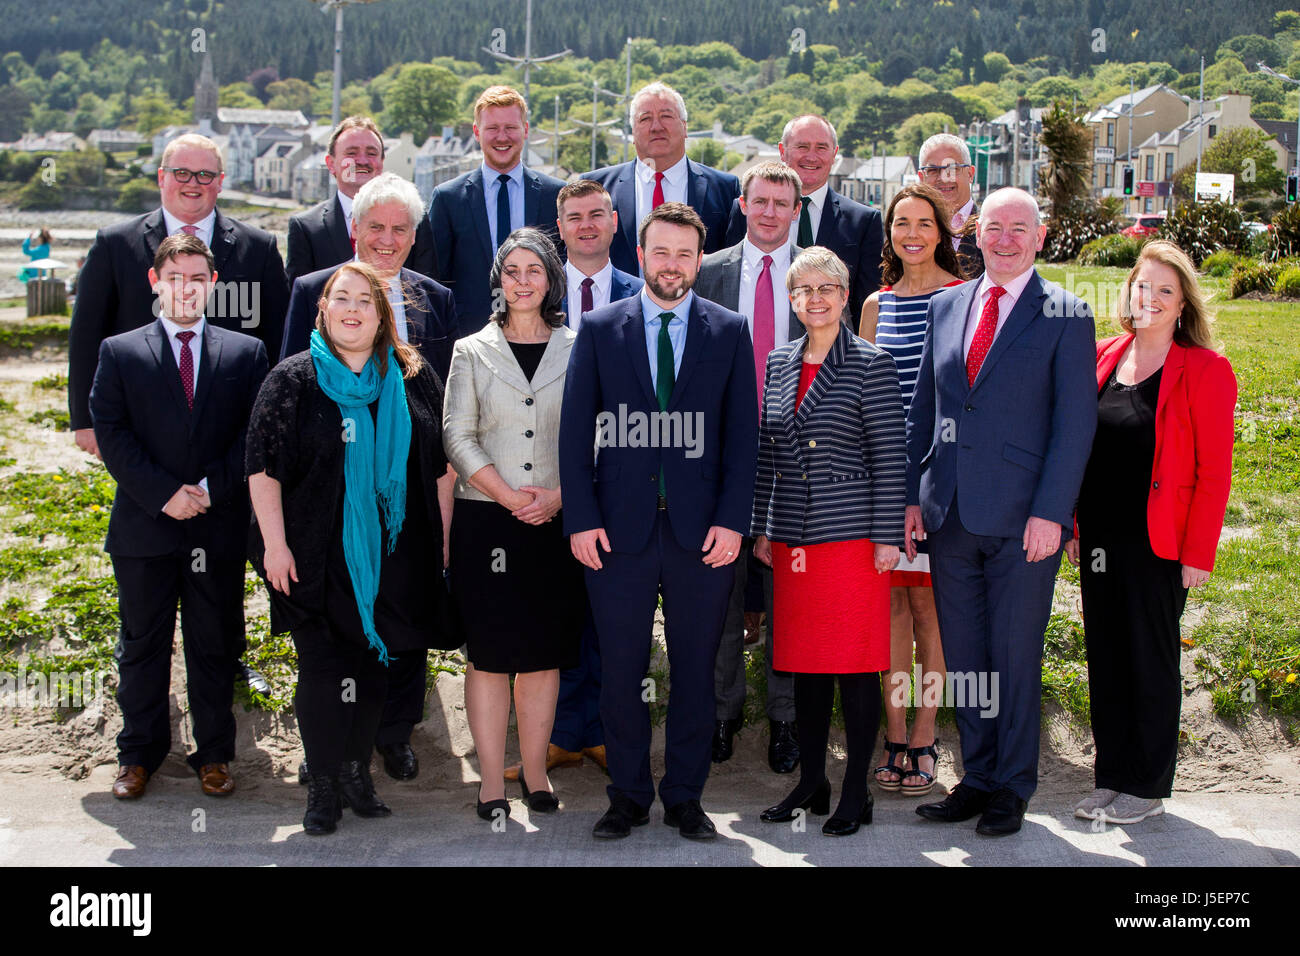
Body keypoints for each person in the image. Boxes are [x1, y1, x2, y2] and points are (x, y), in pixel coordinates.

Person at [559, 203, 759, 841]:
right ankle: (626, 797)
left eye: (684, 254)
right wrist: (582, 520)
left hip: (702, 536)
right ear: (640, 255)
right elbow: (574, 434)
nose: (671, 264)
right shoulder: (598, 327)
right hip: (618, 534)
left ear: (699, 260)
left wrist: (733, 524)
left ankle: (685, 798)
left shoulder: (728, 331)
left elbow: (742, 439)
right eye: (661, 251)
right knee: (621, 670)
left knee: (696, 670)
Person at [906, 187, 1096, 836]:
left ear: (1040, 237)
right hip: (951, 516)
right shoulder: (948, 305)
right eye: (994, 227)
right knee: (966, 660)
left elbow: (1074, 428)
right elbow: (923, 411)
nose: (1006, 239)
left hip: (1024, 526)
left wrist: (1053, 514)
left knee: (1013, 659)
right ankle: (976, 778)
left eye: (1020, 228)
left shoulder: (1067, 315)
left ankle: (1013, 787)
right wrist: (911, 494)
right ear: (974, 235)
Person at [246, 261, 455, 835]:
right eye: (342, 298)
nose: (354, 309)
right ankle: (321, 788)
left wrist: (440, 543)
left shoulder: (414, 376)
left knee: (375, 666)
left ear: (382, 313)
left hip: (395, 552)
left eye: (366, 299)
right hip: (314, 555)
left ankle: (356, 775)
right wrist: (274, 547)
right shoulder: (292, 381)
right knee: (322, 668)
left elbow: (441, 469)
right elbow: (262, 470)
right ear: (324, 309)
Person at [281, 172, 457, 783]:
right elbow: (290, 389)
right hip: (333, 500)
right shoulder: (311, 290)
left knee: (404, 622)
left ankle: (394, 733)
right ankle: (330, 749)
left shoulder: (436, 298)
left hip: (409, 493)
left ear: (414, 236)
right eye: (375, 227)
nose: (386, 239)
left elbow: (444, 402)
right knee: (337, 630)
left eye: (399, 229)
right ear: (355, 229)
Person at [90, 234, 268, 800]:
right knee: (142, 643)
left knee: (212, 643)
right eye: (175, 278)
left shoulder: (245, 353)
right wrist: (164, 493)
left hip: (215, 526)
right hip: (145, 525)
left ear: (213, 284)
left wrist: (212, 488)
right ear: (156, 283)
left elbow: (253, 433)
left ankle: (213, 755)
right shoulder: (120, 351)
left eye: (196, 279)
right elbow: (111, 433)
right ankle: (138, 755)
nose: (185, 289)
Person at [1067, 240, 1237, 825]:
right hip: (1100, 540)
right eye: (1144, 286)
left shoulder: (1206, 370)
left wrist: (1198, 554)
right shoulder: (1104, 355)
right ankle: (1112, 776)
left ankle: (1148, 784)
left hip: (1159, 542)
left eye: (1166, 289)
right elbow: (1077, 451)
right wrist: (1073, 526)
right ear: (1129, 292)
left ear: (1183, 302)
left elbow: (1215, 473)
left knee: (1150, 659)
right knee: (1106, 657)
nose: (1153, 297)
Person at [751, 247, 906, 836]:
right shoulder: (780, 361)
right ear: (791, 301)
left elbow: (891, 458)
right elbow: (769, 453)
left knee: (856, 667)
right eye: (803, 290)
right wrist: (763, 526)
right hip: (793, 539)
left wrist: (887, 536)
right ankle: (811, 781)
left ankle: (854, 792)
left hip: (852, 539)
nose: (814, 299)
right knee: (807, 668)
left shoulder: (872, 362)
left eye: (826, 288)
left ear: (845, 296)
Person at [442, 228, 583, 820]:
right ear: (497, 279)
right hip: (487, 524)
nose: (522, 281)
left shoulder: (580, 347)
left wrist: (557, 497)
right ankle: (490, 783)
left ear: (551, 279)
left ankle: (534, 773)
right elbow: (456, 434)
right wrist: (504, 495)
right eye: (512, 270)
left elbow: (596, 437)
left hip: (554, 522)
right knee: (490, 656)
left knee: (542, 655)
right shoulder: (470, 351)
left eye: (535, 270)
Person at [518, 180, 642, 780]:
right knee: (557, 610)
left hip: (622, 482)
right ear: (558, 227)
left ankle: (599, 732)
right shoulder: (536, 296)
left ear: (615, 221)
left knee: (607, 617)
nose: (587, 225)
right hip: (544, 479)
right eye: (574, 217)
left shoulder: (645, 297)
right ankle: (559, 734)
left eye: (597, 215)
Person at [69, 133, 289, 462]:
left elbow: (278, 337)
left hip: (234, 426)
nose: (193, 183)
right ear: (162, 177)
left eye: (205, 175)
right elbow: (86, 333)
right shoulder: (115, 245)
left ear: (220, 182)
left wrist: (277, 415)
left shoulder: (259, 248)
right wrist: (84, 420)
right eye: (181, 173)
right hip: (139, 423)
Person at [696, 160, 804, 773]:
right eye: (759, 201)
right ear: (742, 205)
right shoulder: (707, 273)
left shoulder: (818, 277)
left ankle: (785, 718)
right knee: (722, 589)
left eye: (780, 204)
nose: (769, 213)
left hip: (794, 458)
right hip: (719, 456)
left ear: (796, 211)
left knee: (789, 592)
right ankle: (722, 711)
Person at [858, 183, 965, 797]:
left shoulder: (964, 296)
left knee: (930, 612)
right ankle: (893, 734)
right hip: (882, 478)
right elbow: (869, 396)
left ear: (941, 231)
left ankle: (925, 735)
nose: (913, 233)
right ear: (891, 233)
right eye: (902, 222)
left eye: (925, 222)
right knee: (890, 611)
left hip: (938, 481)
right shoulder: (875, 304)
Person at [427, 86, 565, 338]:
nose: (502, 137)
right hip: (470, 334)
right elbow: (434, 279)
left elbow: (562, 269)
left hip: (543, 333)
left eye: (510, 128)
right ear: (477, 132)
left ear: (525, 130)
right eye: (492, 129)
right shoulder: (448, 199)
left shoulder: (554, 195)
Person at [724, 115, 884, 320]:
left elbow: (865, 306)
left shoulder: (863, 221)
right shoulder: (746, 211)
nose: (811, 156)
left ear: (834, 154)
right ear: (782, 151)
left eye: (821, 148)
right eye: (802, 146)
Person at [581, 82, 740, 276]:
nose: (657, 127)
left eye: (666, 116)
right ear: (632, 133)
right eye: (645, 119)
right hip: (619, 305)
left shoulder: (724, 188)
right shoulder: (597, 187)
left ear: (685, 127)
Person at [285, 115, 436, 286]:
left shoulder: (414, 219)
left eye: (371, 154)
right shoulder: (306, 228)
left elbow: (425, 292)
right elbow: (298, 299)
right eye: (352, 153)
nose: (362, 161)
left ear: (381, 162)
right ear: (331, 163)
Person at [917, 133, 984, 278]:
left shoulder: (990, 229)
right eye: (933, 170)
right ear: (921, 178)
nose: (943, 178)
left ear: (970, 174)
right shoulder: (907, 231)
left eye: (952, 169)